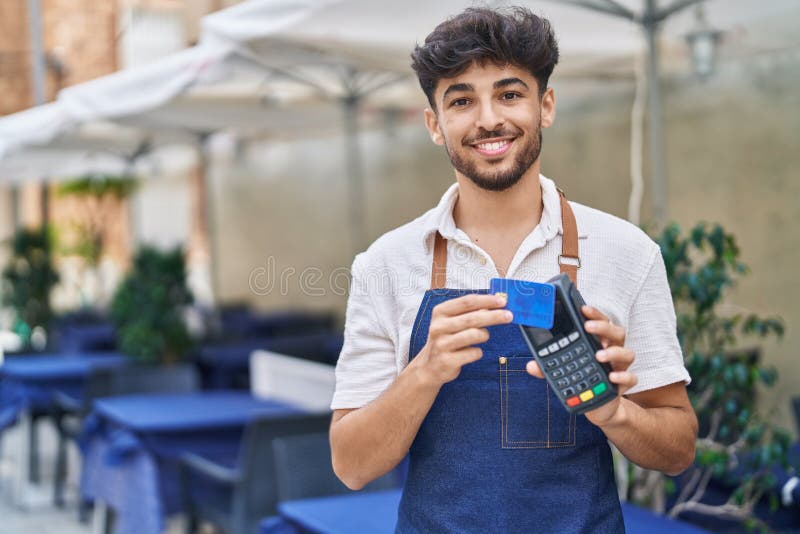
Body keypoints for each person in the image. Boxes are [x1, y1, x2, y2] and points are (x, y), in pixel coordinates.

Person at [329, 6, 698, 532]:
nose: (487, 120)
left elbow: (678, 449)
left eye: (509, 94)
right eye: (461, 100)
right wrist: (425, 370)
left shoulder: (627, 252)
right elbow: (351, 465)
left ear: (545, 105)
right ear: (435, 124)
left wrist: (614, 411)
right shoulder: (384, 264)